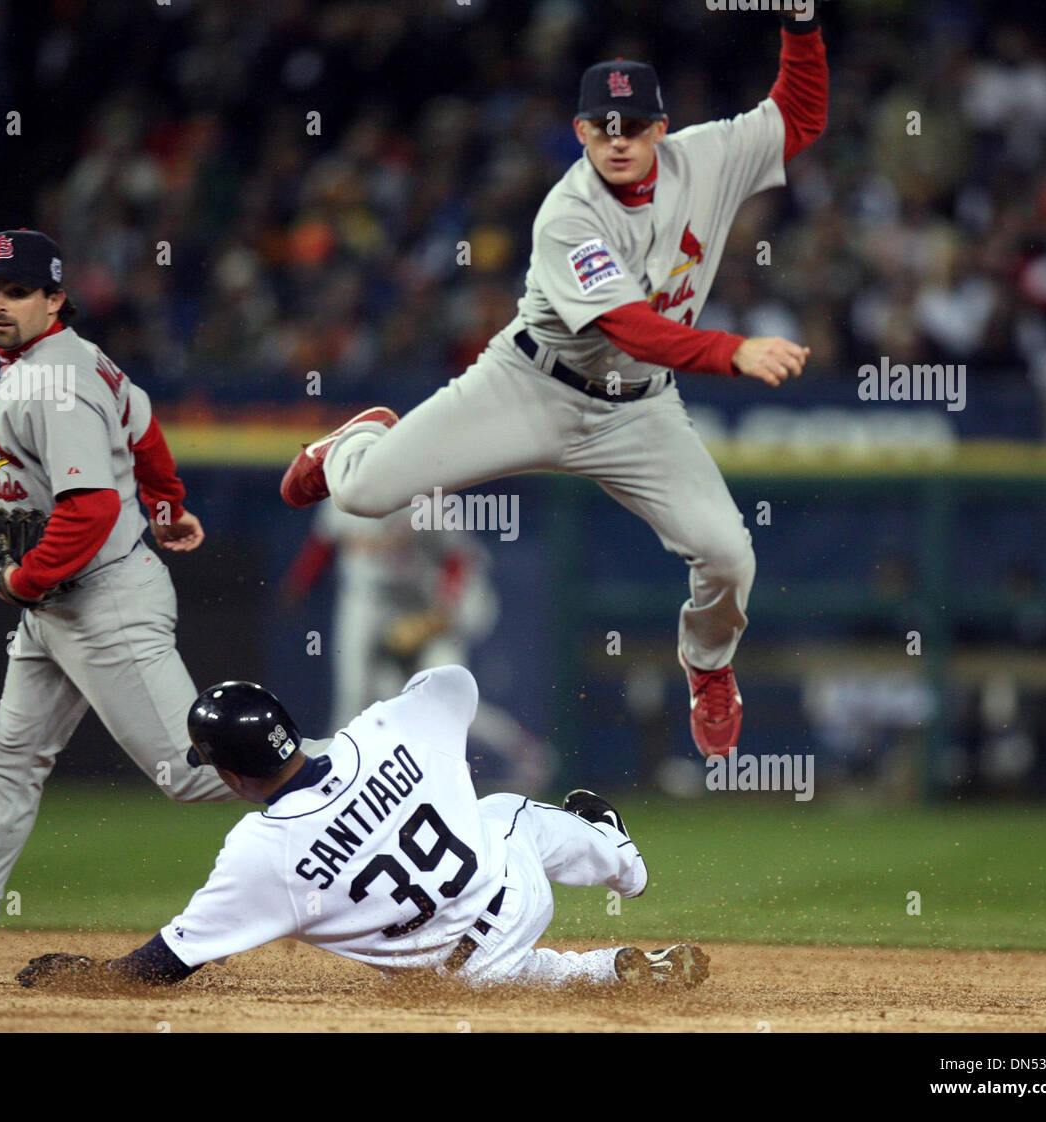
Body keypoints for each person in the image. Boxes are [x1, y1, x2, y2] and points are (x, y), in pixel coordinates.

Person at [280, 10, 829, 758]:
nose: (618, 139)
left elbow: (799, 116)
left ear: (661, 127)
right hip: (531, 386)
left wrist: (799, 24)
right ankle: (358, 438)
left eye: (633, 124)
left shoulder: (710, 157)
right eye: (602, 126)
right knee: (362, 494)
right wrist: (729, 351)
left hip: (639, 411)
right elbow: (626, 326)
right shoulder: (568, 214)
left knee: (730, 555)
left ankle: (707, 665)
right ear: (579, 132)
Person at [0, 229, 236, 968]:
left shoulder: (52, 378)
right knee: (11, 753)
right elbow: (144, 422)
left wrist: (22, 581)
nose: (0, 305)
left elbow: (92, 507)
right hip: (64, 600)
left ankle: (362, 785)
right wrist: (166, 503)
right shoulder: (64, 360)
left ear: (55, 299)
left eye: (18, 292)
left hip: (102, 598)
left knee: (197, 774)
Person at [16, 668, 710, 990]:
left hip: (457, 973)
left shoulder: (260, 854)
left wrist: (90, 976)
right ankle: (622, 866)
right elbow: (455, 683)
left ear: (227, 777)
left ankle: (596, 971)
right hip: (517, 894)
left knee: (499, 960)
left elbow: (162, 965)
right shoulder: (386, 730)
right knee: (503, 814)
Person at [284, 500, 555, 791]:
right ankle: (340, 782)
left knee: (448, 701)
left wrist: (437, 618)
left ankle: (527, 753)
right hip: (364, 603)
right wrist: (298, 585)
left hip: (423, 605)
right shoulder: (344, 491)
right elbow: (322, 545)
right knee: (356, 696)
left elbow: (459, 559)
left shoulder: (426, 495)